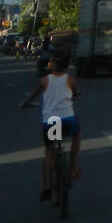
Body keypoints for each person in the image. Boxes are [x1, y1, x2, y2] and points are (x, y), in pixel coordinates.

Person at [20, 48, 80, 201]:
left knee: (49, 151)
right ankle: (72, 168)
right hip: (67, 120)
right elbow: (75, 93)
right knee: (76, 138)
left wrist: (24, 104)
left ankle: (47, 186)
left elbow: (33, 96)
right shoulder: (70, 79)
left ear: (52, 64)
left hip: (52, 121)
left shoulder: (45, 80)